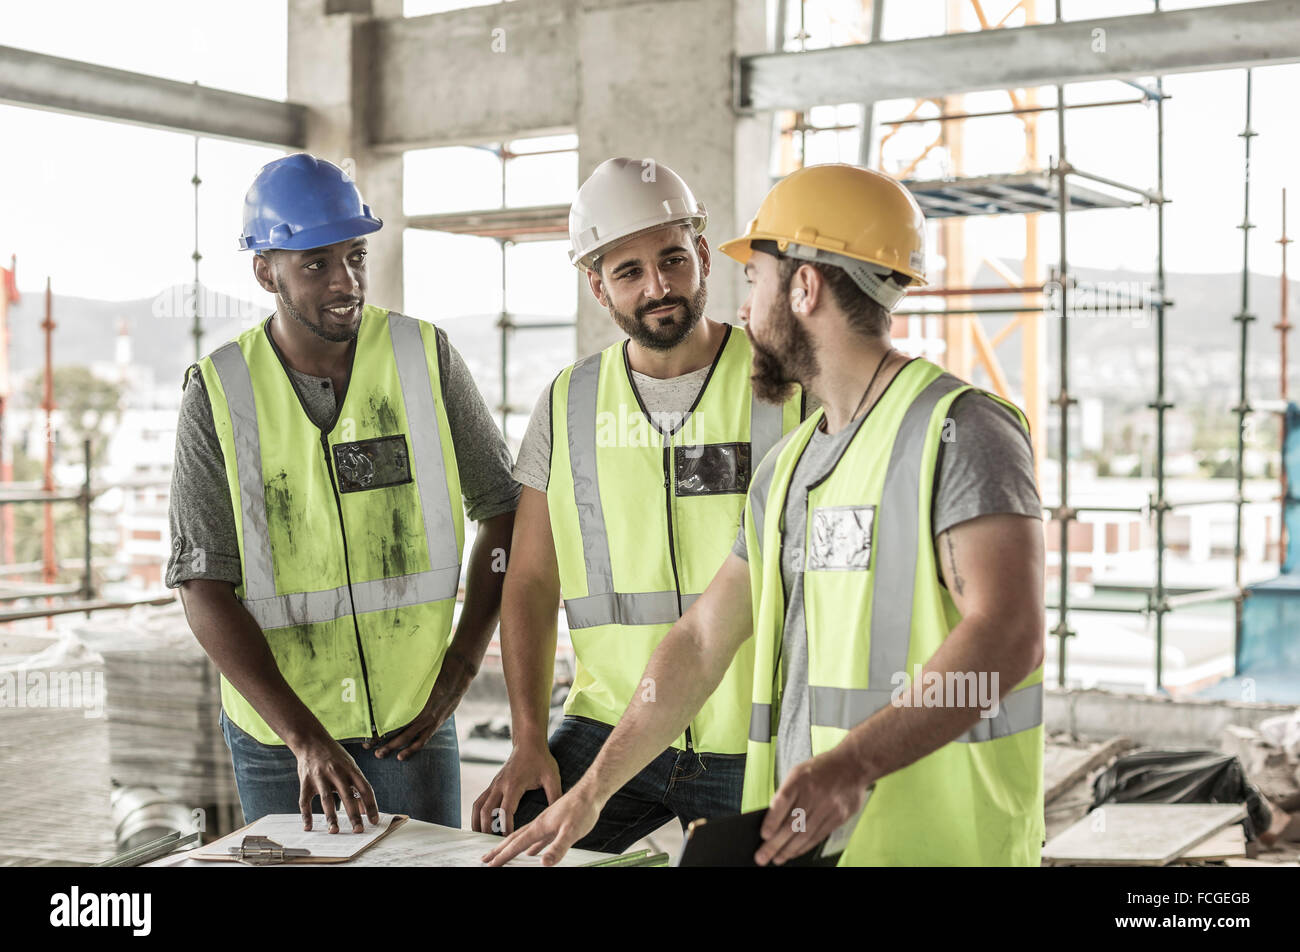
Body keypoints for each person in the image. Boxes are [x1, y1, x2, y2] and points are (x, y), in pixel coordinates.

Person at [483, 163, 1045, 867]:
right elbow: (700, 641)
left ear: (803, 288)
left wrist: (850, 766)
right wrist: (592, 790)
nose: (744, 310)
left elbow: (1008, 633)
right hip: (818, 823)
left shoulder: (961, 429)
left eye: (758, 282)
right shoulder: (791, 467)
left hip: (946, 841)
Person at [166, 153, 518, 833]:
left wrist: (464, 662)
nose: (345, 282)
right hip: (280, 740)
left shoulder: (425, 357)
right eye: (316, 264)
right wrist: (303, 739)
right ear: (266, 270)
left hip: (410, 723)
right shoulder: (217, 393)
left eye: (355, 257)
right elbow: (201, 583)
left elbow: (503, 510)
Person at [470, 157, 805, 852]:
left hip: (752, 726)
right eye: (628, 272)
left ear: (704, 257)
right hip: (609, 724)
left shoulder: (786, 384)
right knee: (512, 849)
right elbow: (530, 581)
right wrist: (529, 738)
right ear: (597, 286)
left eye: (673, 260)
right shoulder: (569, 403)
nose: (659, 287)